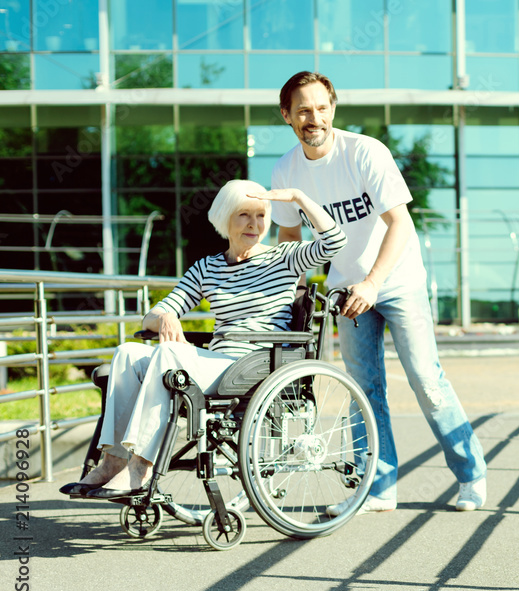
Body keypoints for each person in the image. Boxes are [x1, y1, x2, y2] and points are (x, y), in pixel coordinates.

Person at [270, 71, 487, 515]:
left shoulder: (365, 152)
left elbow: (401, 224)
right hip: (346, 291)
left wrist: (373, 282)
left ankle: (472, 475)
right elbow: (290, 239)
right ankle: (380, 488)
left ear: (333, 108)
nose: (315, 117)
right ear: (287, 115)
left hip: (398, 281)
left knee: (426, 379)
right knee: (364, 389)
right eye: (304, 110)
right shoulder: (286, 169)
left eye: (322, 107)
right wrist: (285, 294)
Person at [59, 179, 346, 498]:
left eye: (261, 215)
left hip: (258, 364)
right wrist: (165, 315)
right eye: (244, 215)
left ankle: (140, 466)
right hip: (218, 362)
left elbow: (335, 241)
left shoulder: (284, 258)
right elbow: (151, 318)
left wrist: (298, 197)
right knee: (128, 352)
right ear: (225, 218)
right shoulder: (207, 268)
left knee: (168, 354)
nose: (254, 224)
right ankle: (113, 461)